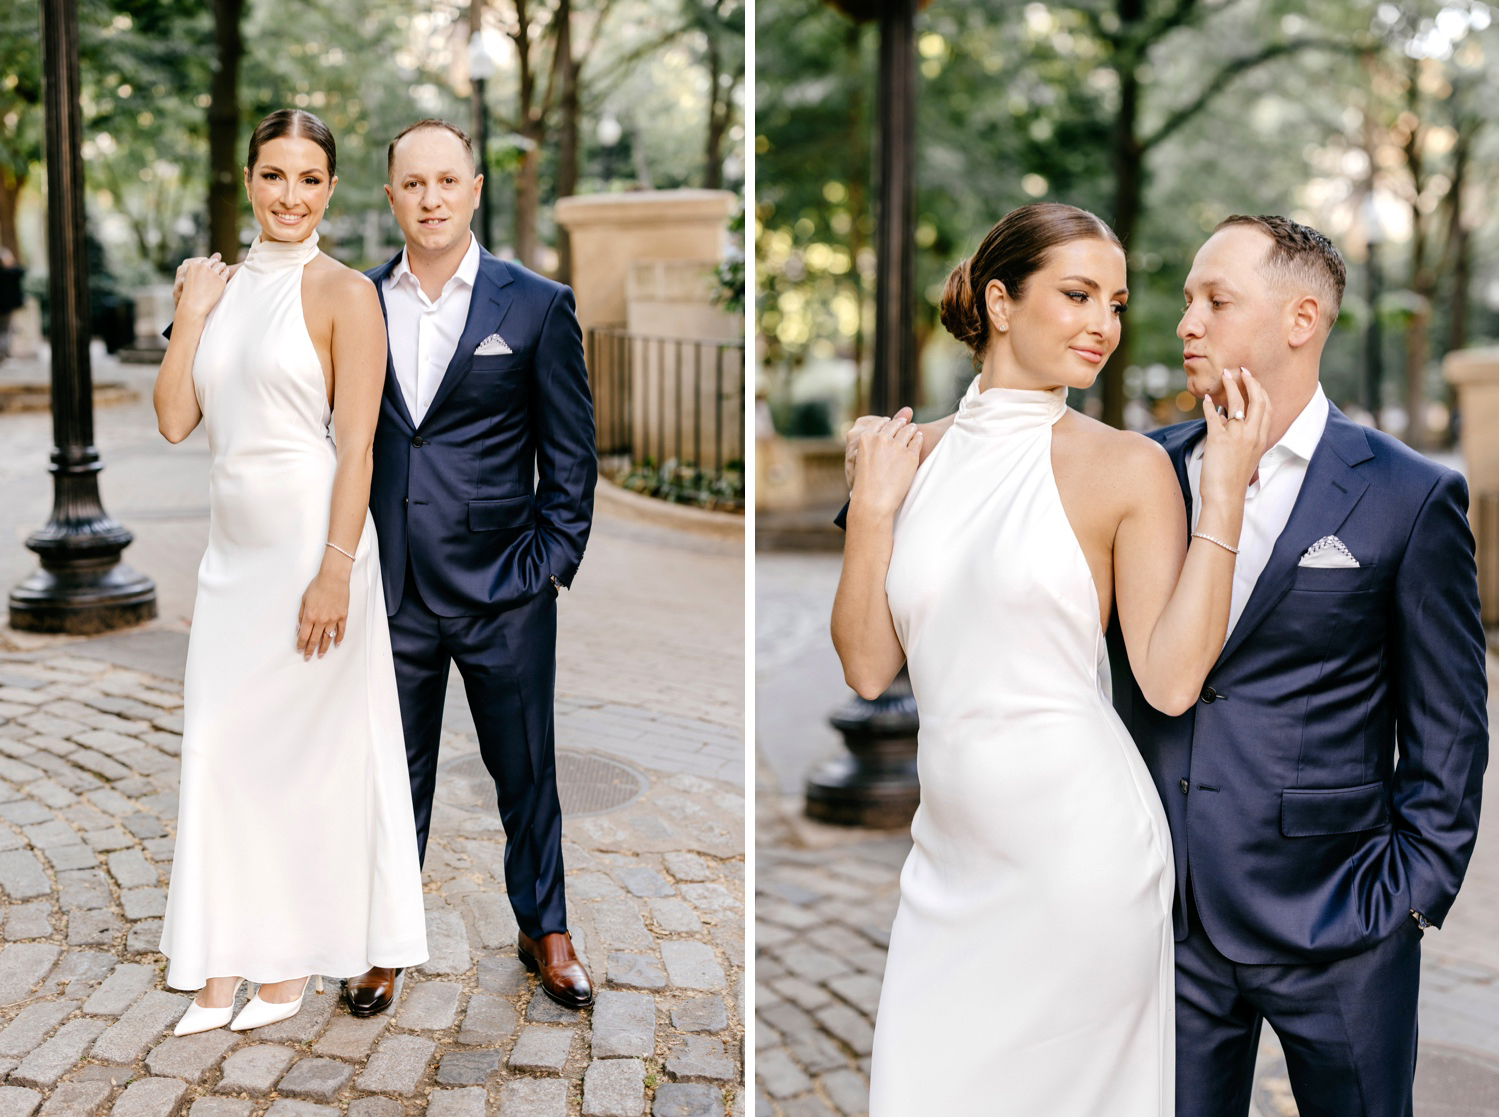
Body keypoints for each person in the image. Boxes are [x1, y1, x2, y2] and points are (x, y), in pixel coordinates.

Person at [848, 215, 1489, 1115]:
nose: (1182, 322)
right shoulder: (1151, 464)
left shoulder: (1408, 493)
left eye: (1214, 300)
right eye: (1184, 298)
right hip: (1169, 918)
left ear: (1301, 319)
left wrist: (1409, 897)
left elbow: (1450, 724)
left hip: (1340, 918)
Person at [832, 202, 1268, 1115]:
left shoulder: (1128, 467)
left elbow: (1170, 681)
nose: (1103, 323)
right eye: (1078, 295)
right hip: (947, 859)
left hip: (1082, 858)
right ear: (1000, 302)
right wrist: (872, 510)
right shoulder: (909, 458)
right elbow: (868, 668)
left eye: (1116, 303)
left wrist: (1223, 492)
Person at [154, 109, 428, 1035]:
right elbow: (174, 420)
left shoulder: (347, 293)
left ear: (331, 190)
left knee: (303, 766)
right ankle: (222, 960)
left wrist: (335, 571)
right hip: (231, 562)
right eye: (274, 175)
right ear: (248, 180)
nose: (290, 195)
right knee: (220, 752)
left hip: (315, 549)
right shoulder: (216, 287)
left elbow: (359, 449)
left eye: (310, 179)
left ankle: (286, 965)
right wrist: (192, 314)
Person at [341, 119, 598, 1017]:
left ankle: (546, 928)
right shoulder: (358, 301)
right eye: (414, 184)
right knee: (394, 773)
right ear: (391, 197)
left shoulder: (536, 304)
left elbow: (571, 453)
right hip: (395, 586)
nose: (432, 199)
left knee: (525, 770)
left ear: (475, 189)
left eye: (447, 181)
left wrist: (549, 563)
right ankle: (385, 940)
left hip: (505, 588)